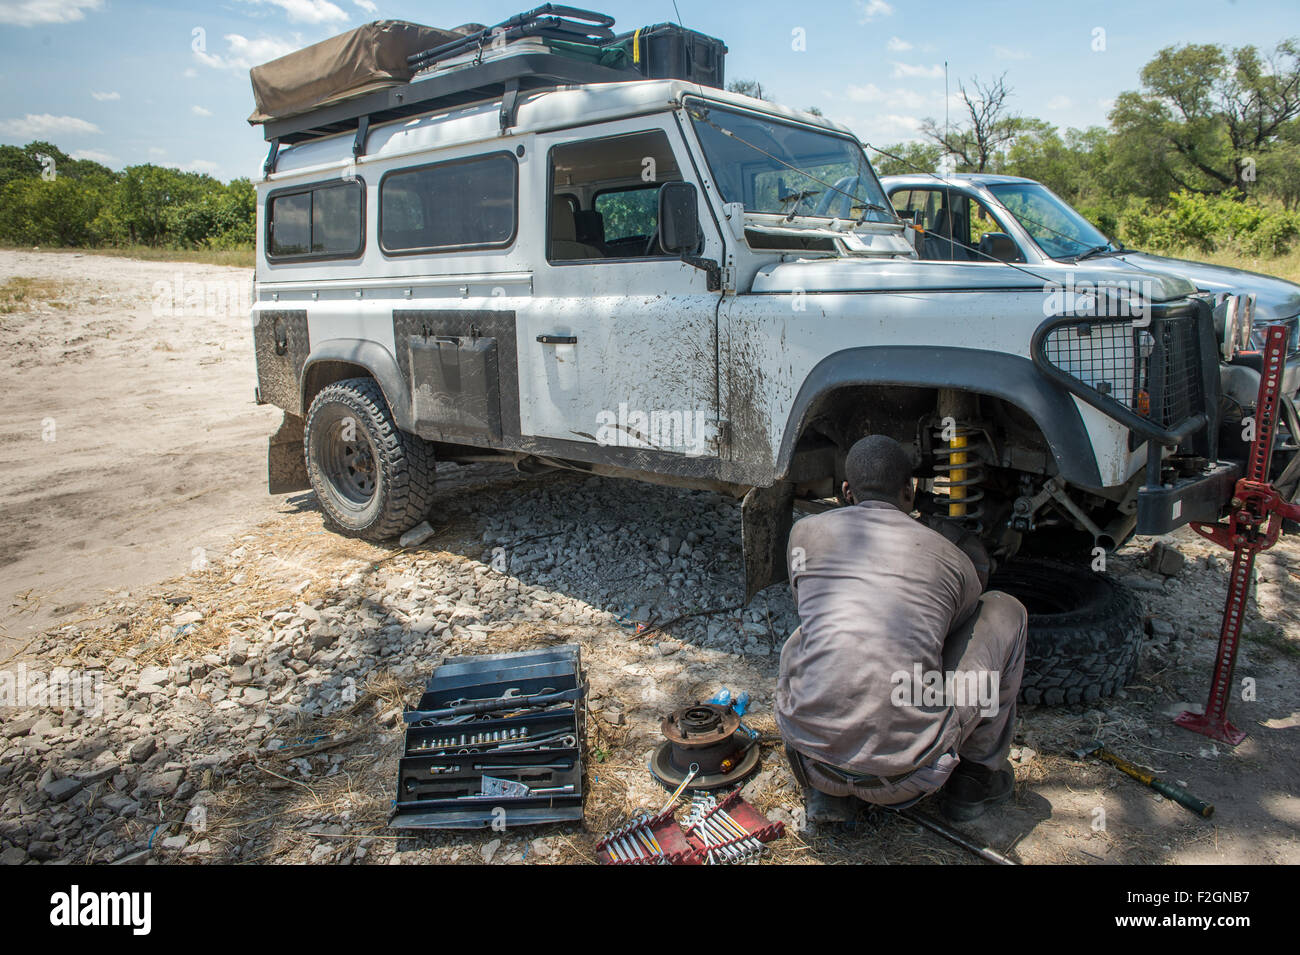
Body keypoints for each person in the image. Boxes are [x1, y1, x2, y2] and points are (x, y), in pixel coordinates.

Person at [776, 434, 1028, 823]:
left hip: (810, 760)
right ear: (909, 492)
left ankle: (830, 793)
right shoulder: (952, 558)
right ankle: (971, 784)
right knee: (1004, 610)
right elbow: (956, 634)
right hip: (907, 775)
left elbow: (809, 605)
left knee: (810, 632)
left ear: (846, 491)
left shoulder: (805, 533)